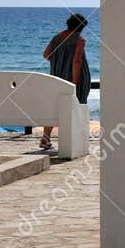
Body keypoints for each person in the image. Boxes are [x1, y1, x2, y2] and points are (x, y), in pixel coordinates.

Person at [40, 12, 91, 152]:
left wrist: (59, 59)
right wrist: (74, 82)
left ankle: (46, 137)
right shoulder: (80, 40)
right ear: (81, 27)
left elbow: (46, 55)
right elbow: (77, 61)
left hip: (56, 77)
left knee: (54, 106)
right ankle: (75, 139)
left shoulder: (56, 38)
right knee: (77, 105)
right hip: (75, 78)